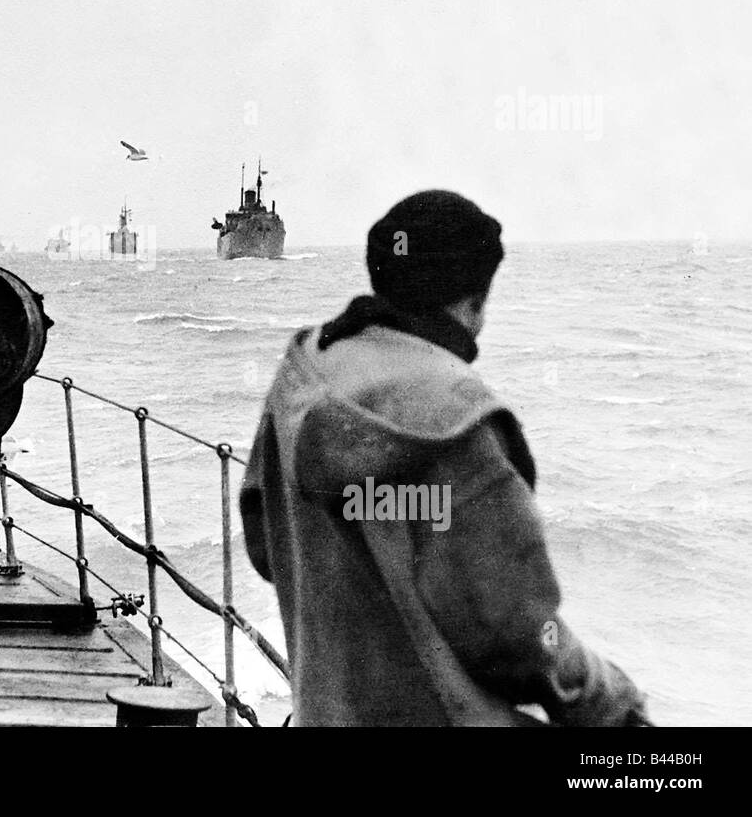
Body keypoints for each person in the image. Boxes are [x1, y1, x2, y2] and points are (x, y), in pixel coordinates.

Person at [240, 189, 650, 726]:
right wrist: (611, 698)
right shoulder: (459, 418)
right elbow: (518, 634)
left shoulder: (302, 374)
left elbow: (266, 547)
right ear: (473, 299)